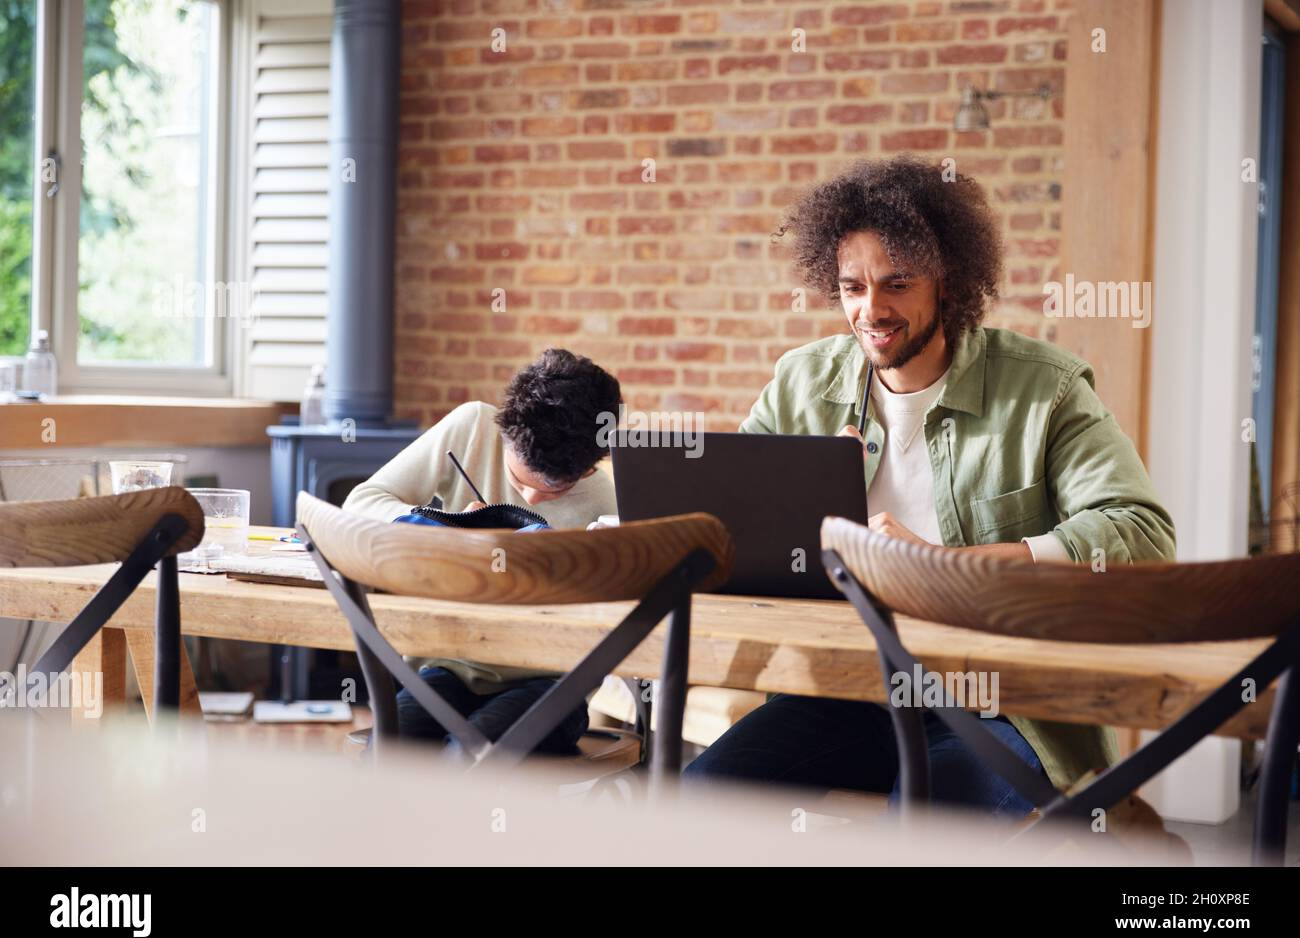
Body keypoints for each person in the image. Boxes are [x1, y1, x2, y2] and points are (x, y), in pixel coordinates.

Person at [683, 156, 1177, 816]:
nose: (871, 309)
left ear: (945, 280)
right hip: (842, 691)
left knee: (925, 828)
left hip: (997, 703)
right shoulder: (803, 384)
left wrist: (946, 568)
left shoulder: (1042, 389)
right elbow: (729, 512)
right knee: (701, 797)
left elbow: (1140, 531)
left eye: (896, 284)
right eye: (852, 286)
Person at [343, 348, 621, 757]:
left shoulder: (609, 505)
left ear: (591, 464)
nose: (529, 497)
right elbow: (361, 503)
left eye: (554, 491)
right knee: (390, 751)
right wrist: (450, 527)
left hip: (551, 686)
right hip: (446, 665)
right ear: (504, 431)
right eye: (518, 478)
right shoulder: (473, 428)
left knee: (472, 756)